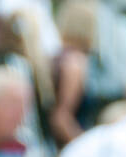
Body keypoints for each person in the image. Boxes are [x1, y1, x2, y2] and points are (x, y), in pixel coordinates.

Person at [49, 0, 99, 147]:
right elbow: (61, 118)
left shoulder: (61, 57)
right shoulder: (75, 62)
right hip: (70, 145)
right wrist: (86, 149)